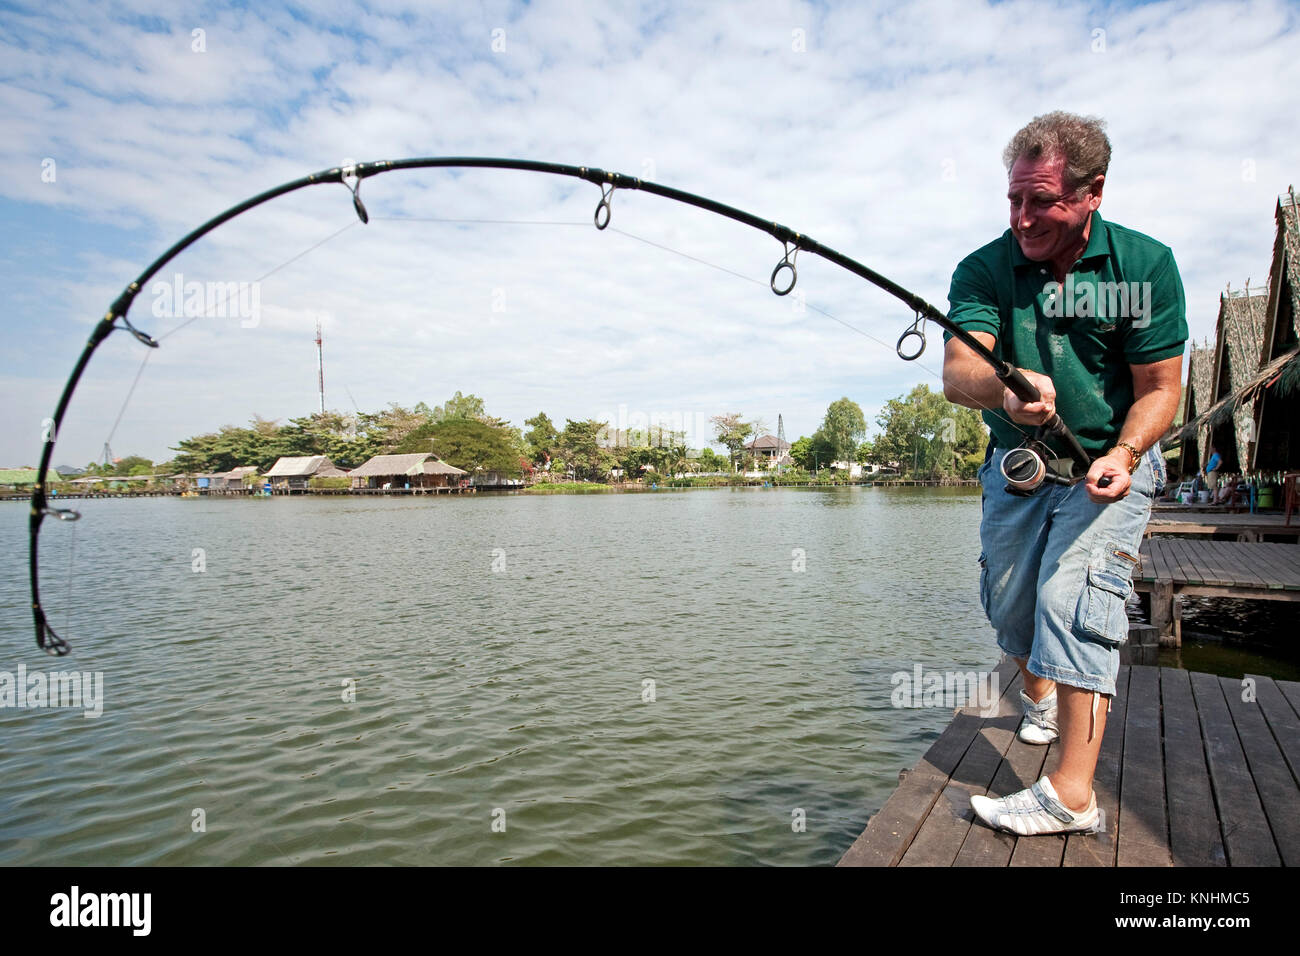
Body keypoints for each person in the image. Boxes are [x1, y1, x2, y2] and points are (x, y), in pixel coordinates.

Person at [941, 112, 1187, 835]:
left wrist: (1126, 453)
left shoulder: (1142, 266)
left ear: (1093, 193)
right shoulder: (985, 268)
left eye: (1041, 200)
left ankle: (1071, 796)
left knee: (1069, 599)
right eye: (1013, 198)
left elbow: (1160, 389)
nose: (1023, 217)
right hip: (1018, 470)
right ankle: (1041, 697)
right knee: (1012, 609)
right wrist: (1007, 389)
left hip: (1108, 466)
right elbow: (960, 372)